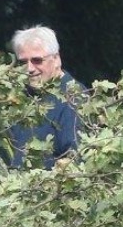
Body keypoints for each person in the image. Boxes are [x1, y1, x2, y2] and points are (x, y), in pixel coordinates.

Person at [8, 25, 83, 168]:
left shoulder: (74, 99)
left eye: (37, 60)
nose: (29, 69)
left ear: (56, 59)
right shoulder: (19, 97)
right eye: (23, 62)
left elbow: (76, 162)